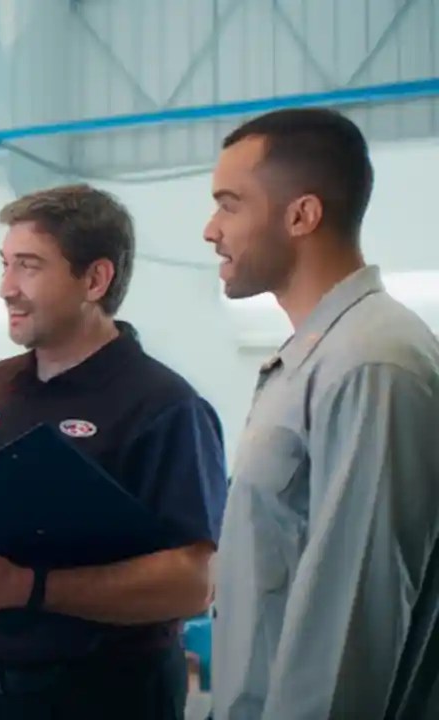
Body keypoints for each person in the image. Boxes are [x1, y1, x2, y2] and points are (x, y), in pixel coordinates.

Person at [0, 184, 229, 720]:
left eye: (29, 266)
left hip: (101, 699)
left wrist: (27, 588)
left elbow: (193, 584)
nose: (5, 288)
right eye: (5, 264)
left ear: (95, 279)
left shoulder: (163, 407)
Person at [206, 108, 439, 720]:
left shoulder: (371, 362)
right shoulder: (314, 358)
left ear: (301, 215)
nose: (211, 229)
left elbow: (350, 618)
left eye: (229, 204)